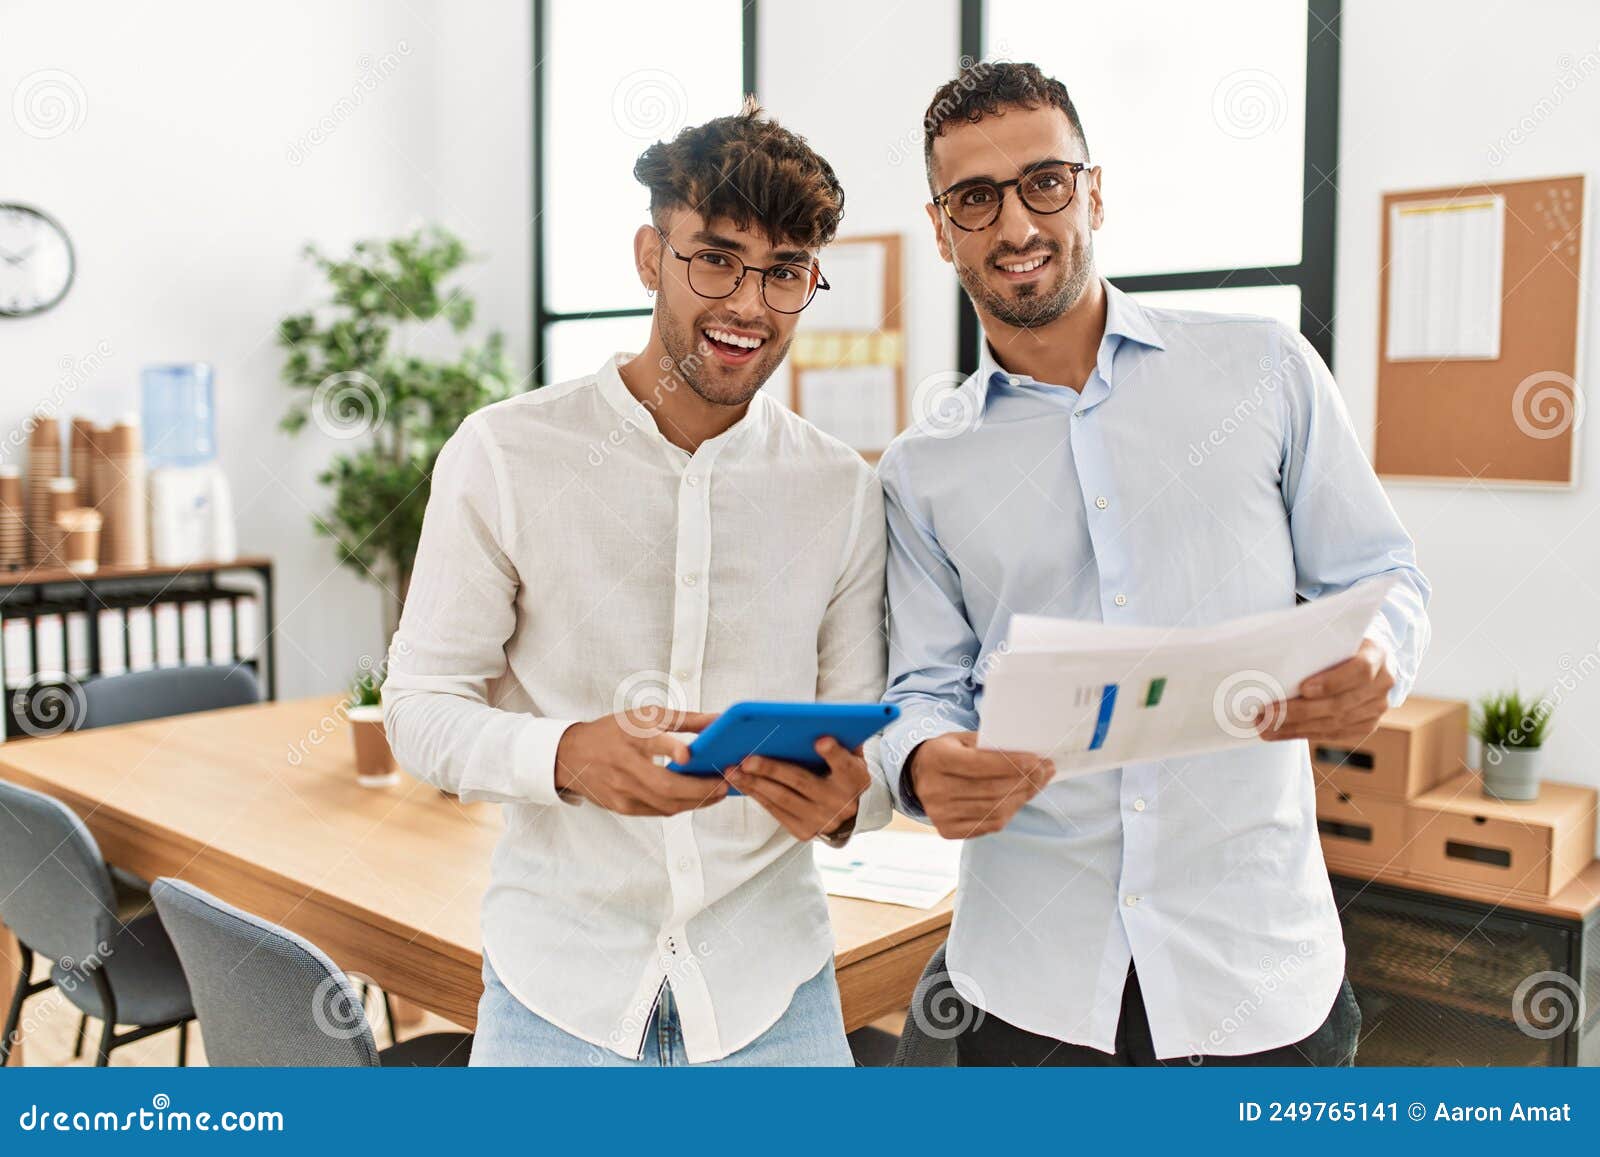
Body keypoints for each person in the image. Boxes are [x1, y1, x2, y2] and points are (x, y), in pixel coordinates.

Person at [876, 62, 1430, 1066]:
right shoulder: (922, 466)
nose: (1014, 226)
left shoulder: (1263, 368)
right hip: (1032, 989)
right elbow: (925, 683)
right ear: (941, 224)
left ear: (1094, 189)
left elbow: (1382, 574)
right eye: (974, 198)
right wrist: (921, 759)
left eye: (1043, 182)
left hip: (1254, 972)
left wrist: (1381, 652)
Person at [384, 100, 890, 1067]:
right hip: (558, 993)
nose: (748, 304)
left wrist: (845, 802)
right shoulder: (505, 452)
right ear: (650, 256)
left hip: (772, 991)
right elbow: (420, 706)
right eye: (717, 258)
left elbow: (863, 750)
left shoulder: (842, 488)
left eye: (785, 273)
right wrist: (568, 753)